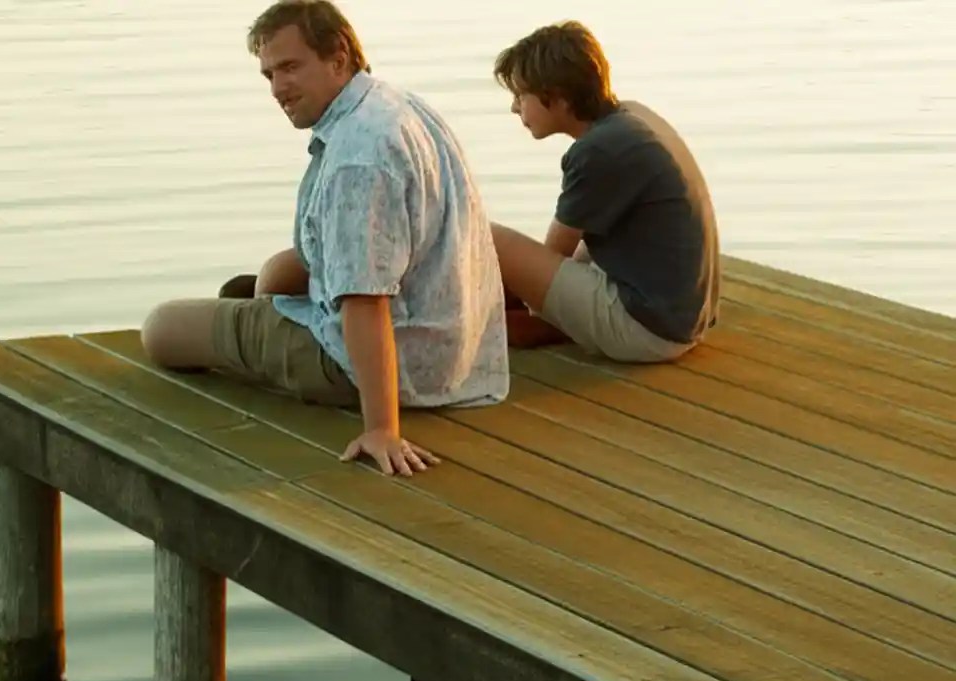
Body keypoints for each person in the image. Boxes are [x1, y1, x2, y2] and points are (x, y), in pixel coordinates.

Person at [140, 0, 509, 476]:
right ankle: (251, 331)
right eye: (269, 75)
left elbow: (364, 298)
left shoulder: (359, 157)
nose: (278, 88)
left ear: (338, 57)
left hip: (390, 369)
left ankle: (255, 351)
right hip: (452, 355)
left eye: (290, 68)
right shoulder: (394, 105)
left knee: (162, 328)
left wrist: (382, 429)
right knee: (258, 283)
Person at [490, 21, 720, 362]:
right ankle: (553, 324)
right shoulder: (631, 118)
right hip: (681, 318)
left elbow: (555, 254)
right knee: (571, 249)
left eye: (521, 95)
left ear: (557, 98)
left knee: (487, 236)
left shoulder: (598, 152)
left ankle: (487, 324)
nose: (514, 108)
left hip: (650, 332)